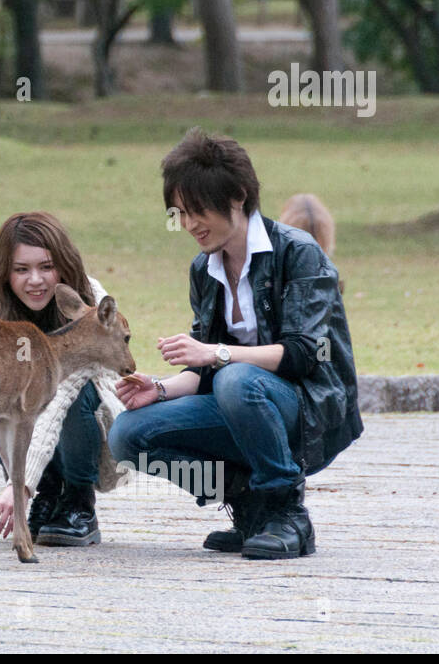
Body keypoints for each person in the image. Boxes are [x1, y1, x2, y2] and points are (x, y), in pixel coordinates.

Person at [110, 127, 364, 559]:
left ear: (239, 196)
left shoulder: (299, 254)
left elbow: (304, 355)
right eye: (180, 212)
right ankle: (249, 506)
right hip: (243, 398)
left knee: (237, 380)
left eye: (198, 210)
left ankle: (287, 513)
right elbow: (208, 370)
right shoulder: (203, 269)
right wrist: (161, 388)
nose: (189, 224)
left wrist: (217, 354)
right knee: (127, 434)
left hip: (309, 409)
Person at [0, 212, 127, 547]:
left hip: (85, 412)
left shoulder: (91, 302)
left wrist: (19, 484)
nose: (35, 280)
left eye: (46, 267)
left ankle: (78, 502)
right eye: (21, 270)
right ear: (4, 272)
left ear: (64, 266)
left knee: (69, 394)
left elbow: (61, 396)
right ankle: (48, 496)